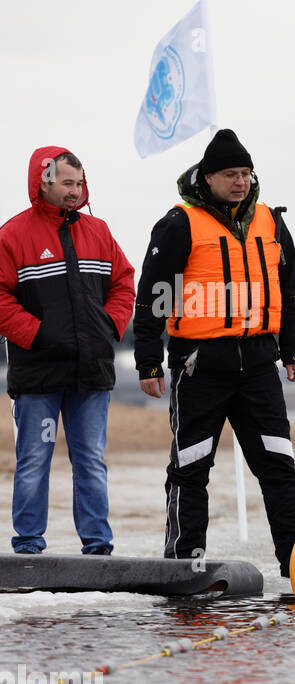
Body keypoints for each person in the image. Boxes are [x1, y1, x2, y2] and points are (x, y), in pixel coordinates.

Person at [133, 129, 295, 577]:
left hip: (258, 366)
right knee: (191, 468)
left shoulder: (272, 221)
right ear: (208, 177)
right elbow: (154, 294)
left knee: (279, 467)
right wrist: (149, 361)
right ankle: (182, 566)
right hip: (199, 367)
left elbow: (290, 292)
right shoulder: (179, 223)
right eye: (231, 174)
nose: (241, 182)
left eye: (246, 174)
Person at [0, 147, 135, 555]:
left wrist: (108, 325)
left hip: (91, 372)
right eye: (67, 183)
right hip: (38, 375)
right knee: (33, 464)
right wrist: (38, 335)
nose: (75, 191)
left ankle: (98, 548)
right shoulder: (13, 234)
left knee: (91, 461)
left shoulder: (99, 230)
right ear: (45, 182)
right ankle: (27, 547)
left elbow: (125, 283)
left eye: (80, 183)